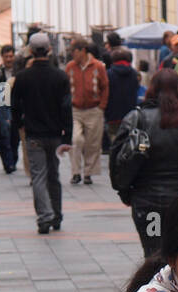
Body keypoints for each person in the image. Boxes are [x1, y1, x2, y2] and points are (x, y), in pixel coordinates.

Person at [112, 68, 178, 255]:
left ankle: (155, 283)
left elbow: (117, 159)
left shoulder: (137, 118)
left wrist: (125, 192)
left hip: (148, 203)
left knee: (154, 251)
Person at [12, 33, 72, 234]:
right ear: (49, 50)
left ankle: (44, 217)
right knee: (54, 175)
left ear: (30, 50)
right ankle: (56, 214)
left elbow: (13, 104)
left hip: (33, 134)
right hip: (55, 134)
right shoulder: (60, 76)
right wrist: (67, 136)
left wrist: (18, 123)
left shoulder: (22, 77)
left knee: (38, 176)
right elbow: (66, 108)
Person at [65, 39, 107, 185]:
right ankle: (76, 172)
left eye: (73, 51)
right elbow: (65, 87)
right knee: (76, 139)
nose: (72, 54)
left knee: (93, 143)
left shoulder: (98, 66)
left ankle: (88, 173)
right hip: (75, 109)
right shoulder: (70, 67)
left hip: (94, 109)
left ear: (82, 50)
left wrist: (102, 105)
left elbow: (105, 86)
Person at [104, 47, 141, 145]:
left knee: (114, 139)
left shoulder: (108, 74)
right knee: (129, 139)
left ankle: (116, 157)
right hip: (130, 113)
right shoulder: (134, 74)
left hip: (112, 114)